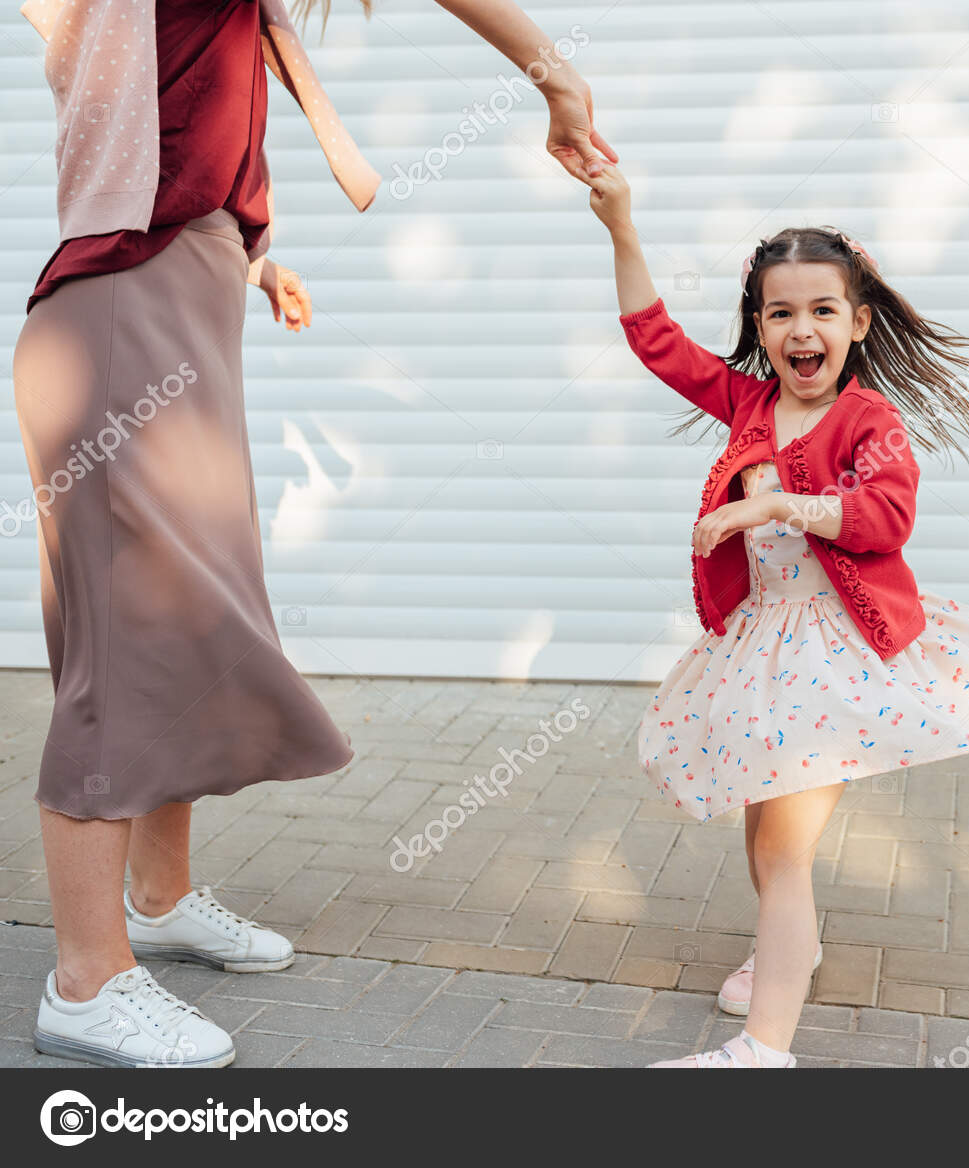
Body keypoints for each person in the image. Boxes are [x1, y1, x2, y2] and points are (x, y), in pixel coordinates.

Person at [15, 0, 614, 1069]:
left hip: (183, 298)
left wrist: (246, 260)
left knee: (197, 629)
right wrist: (548, 69)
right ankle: (85, 981)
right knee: (122, 652)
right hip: (120, 315)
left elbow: (186, 123)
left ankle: (157, 897)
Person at [587, 164, 969, 1068]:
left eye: (821, 310)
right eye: (778, 313)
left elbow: (886, 517)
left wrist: (771, 507)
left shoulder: (866, 418)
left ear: (857, 321)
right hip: (765, 646)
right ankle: (786, 950)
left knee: (791, 848)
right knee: (764, 836)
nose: (801, 329)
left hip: (840, 653)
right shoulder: (749, 401)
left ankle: (764, 1053)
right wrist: (621, 226)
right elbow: (655, 342)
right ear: (758, 326)